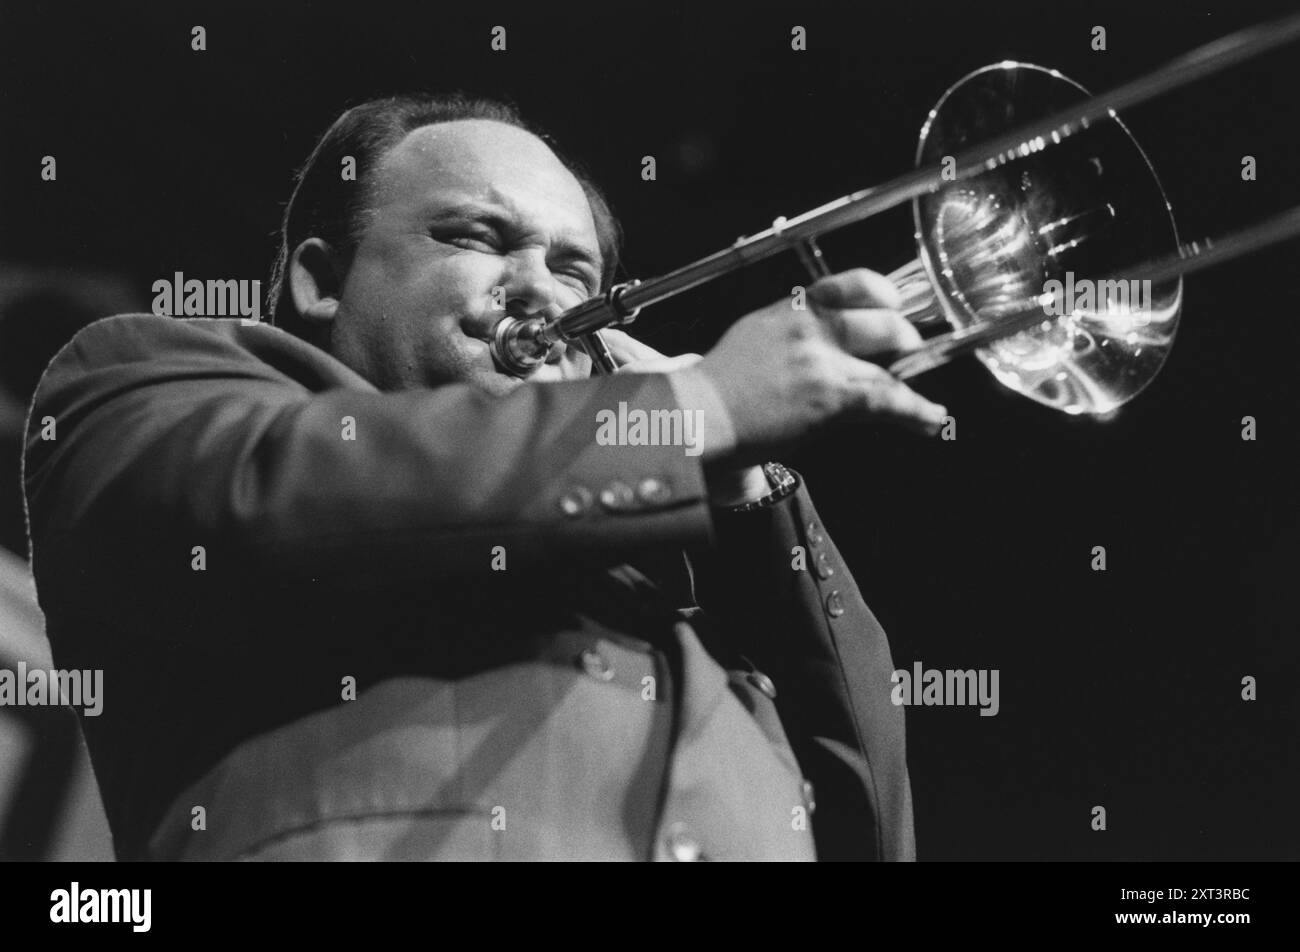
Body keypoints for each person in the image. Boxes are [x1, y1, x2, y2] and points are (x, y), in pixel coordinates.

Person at [23, 94, 946, 861]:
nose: (546, 292)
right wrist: (701, 407)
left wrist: (749, 493)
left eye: (574, 266)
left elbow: (871, 826)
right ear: (320, 279)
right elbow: (275, 499)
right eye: (477, 236)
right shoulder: (138, 376)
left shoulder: (676, 597)